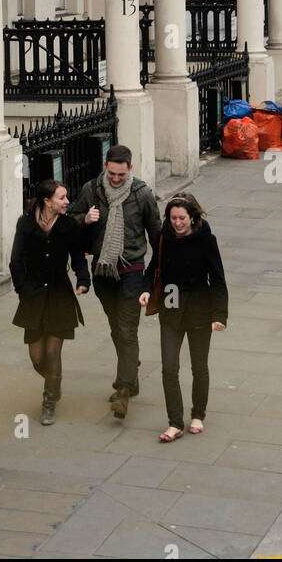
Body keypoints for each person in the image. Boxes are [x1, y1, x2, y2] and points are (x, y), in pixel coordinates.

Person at [70, 144, 161, 420]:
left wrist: (154, 277)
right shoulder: (92, 189)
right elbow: (71, 222)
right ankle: (131, 372)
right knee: (116, 327)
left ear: (130, 169)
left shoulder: (142, 194)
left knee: (126, 328)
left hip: (132, 269)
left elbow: (157, 236)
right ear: (105, 166)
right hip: (102, 271)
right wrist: (84, 218)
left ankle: (122, 390)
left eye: (121, 175)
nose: (116, 179)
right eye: (112, 173)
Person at [139, 193, 227, 443]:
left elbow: (218, 279)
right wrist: (145, 289)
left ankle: (198, 414)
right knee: (169, 367)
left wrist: (220, 314)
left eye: (182, 218)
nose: (177, 223)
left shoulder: (206, 240)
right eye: (173, 218)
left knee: (199, 367)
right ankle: (175, 422)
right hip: (171, 302)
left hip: (200, 306)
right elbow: (152, 268)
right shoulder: (163, 238)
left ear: (192, 217)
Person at [9, 180, 99, 425]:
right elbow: (15, 262)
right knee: (37, 358)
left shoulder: (69, 226)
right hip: (33, 295)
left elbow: (79, 258)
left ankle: (49, 401)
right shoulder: (26, 224)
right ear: (47, 201)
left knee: (52, 352)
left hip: (60, 294)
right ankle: (54, 382)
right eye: (62, 198)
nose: (67, 202)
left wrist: (83, 280)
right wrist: (23, 290)